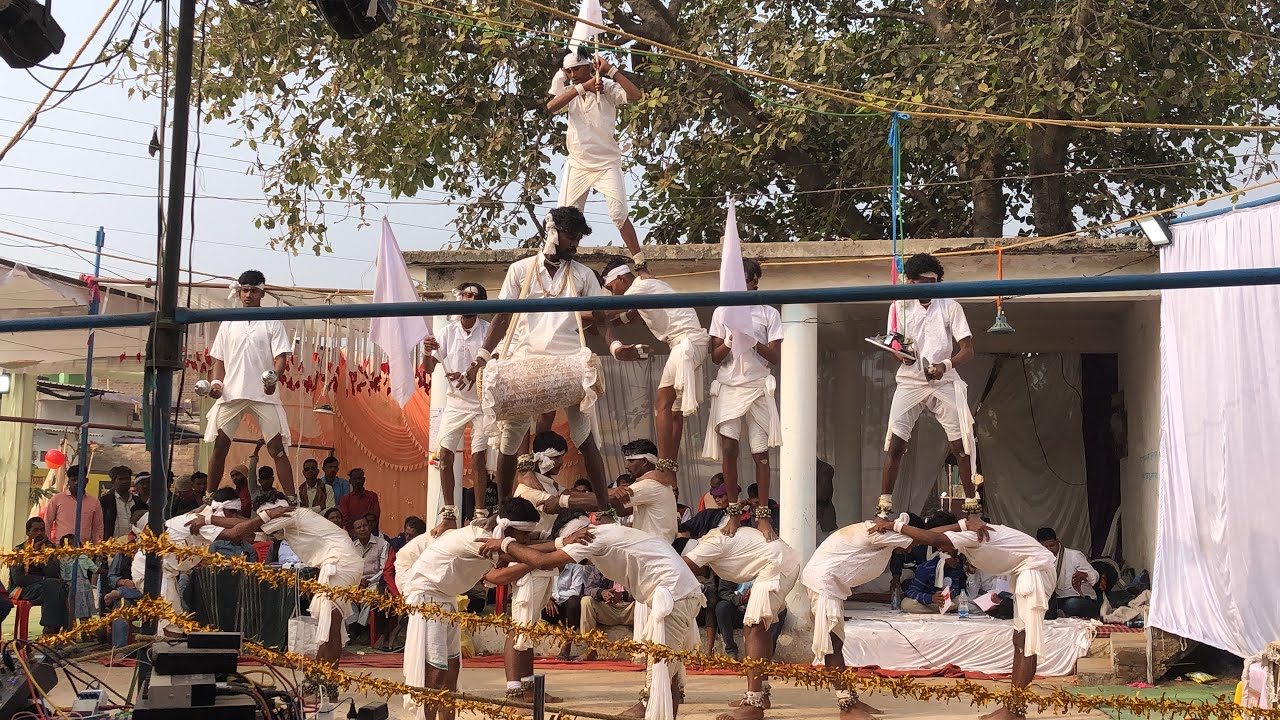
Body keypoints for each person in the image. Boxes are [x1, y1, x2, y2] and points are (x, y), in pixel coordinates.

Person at [464, 206, 645, 510]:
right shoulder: (521, 270)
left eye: (578, 238)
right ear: (552, 233)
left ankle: (604, 511)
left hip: (567, 363)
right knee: (509, 443)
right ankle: (505, 511)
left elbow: (600, 320)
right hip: (523, 363)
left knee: (586, 437)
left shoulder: (584, 275)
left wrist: (616, 349)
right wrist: (480, 358)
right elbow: (502, 317)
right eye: (571, 237)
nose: (575, 244)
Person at [481, 510, 704, 720]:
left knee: (661, 665)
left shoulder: (588, 538)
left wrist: (505, 544)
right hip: (681, 592)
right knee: (667, 666)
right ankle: (655, 709)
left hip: (672, 596)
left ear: (572, 536)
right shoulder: (603, 531)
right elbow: (548, 553)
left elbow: (543, 561)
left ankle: (646, 707)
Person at [873, 515, 1055, 720]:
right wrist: (959, 524)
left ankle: (1015, 710)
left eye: (942, 545)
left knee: (1025, 642)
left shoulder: (969, 535)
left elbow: (931, 538)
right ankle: (1013, 706)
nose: (941, 550)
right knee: (1019, 640)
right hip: (1028, 571)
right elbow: (932, 536)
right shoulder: (967, 531)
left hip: (1035, 572)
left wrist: (894, 526)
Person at [398, 498, 559, 720]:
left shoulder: (495, 537)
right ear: (509, 529)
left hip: (446, 598)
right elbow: (511, 568)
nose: (526, 539)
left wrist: (558, 545)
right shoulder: (480, 539)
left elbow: (521, 552)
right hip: (426, 597)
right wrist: (561, 546)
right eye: (524, 534)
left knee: (451, 669)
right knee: (436, 671)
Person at [196, 491, 364, 695]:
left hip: (339, 564)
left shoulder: (289, 513)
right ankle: (316, 680)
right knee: (327, 626)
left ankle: (329, 684)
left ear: (274, 508)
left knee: (331, 627)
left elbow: (248, 527)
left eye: (265, 513)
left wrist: (207, 519)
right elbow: (252, 524)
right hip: (339, 563)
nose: (264, 517)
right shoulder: (291, 517)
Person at [877, 253, 978, 519]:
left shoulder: (950, 305)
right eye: (924, 283)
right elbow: (893, 345)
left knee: (962, 445)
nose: (930, 288)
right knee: (895, 442)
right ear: (910, 282)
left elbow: (967, 350)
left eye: (934, 283)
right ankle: (884, 508)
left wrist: (945, 365)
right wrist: (900, 354)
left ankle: (972, 507)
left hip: (944, 380)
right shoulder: (898, 306)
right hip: (910, 380)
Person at [503, 431, 600, 702]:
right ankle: (514, 691)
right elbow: (552, 505)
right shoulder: (527, 487)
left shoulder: (549, 484)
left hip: (545, 559)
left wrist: (604, 498)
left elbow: (564, 497)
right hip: (527, 560)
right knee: (520, 626)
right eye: (556, 459)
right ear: (541, 457)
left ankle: (529, 688)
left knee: (530, 626)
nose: (559, 465)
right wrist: (602, 496)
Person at [801, 514, 923, 719]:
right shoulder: (882, 534)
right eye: (911, 542)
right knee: (833, 643)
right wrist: (963, 526)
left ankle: (850, 699)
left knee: (836, 641)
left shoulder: (880, 532)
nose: (911, 549)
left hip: (828, 584)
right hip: (824, 585)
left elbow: (925, 537)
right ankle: (846, 705)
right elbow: (928, 538)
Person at [682, 518, 799, 717]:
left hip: (777, 565)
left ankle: (754, 703)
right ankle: (761, 694)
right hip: (778, 563)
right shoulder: (717, 539)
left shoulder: (708, 544)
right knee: (759, 628)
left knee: (753, 627)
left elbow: (682, 567)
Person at [601, 258, 710, 467]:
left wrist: (576, 313)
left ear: (622, 278)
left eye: (611, 288)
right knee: (675, 412)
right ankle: (670, 465)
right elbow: (630, 316)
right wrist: (610, 323)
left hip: (685, 343)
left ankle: (663, 464)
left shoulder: (639, 287)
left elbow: (607, 310)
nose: (613, 294)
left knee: (662, 404)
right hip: (692, 344)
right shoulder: (650, 286)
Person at [704, 259, 783, 541]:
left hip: (758, 386)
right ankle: (734, 513)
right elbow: (715, 357)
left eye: (749, 280)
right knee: (729, 450)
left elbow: (775, 356)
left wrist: (751, 340)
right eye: (739, 280)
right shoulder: (722, 312)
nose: (745, 285)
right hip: (729, 387)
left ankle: (763, 517)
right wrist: (728, 340)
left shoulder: (769, 312)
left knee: (761, 454)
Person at [203, 269, 295, 498]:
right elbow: (219, 360)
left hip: (263, 394)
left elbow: (281, 358)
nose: (248, 295)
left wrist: (273, 378)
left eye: (253, 291)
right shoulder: (228, 322)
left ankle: (293, 499)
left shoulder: (272, 322)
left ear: (262, 293)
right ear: (239, 292)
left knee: (276, 449)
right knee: (220, 445)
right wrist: (216, 383)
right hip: (232, 392)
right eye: (245, 290)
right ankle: (208, 497)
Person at [547, 47, 645, 260]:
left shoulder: (607, 87)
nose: (572, 75)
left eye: (577, 70)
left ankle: (639, 261)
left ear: (589, 67)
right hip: (578, 163)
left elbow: (635, 95)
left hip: (606, 163)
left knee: (618, 214)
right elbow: (552, 106)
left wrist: (610, 70)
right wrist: (583, 87)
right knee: (563, 218)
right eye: (569, 72)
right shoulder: (571, 91)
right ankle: (557, 259)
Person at [424, 281, 493, 536]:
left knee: (478, 458)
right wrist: (426, 352)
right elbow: (430, 369)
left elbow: (495, 364)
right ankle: (450, 514)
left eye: (474, 296)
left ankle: (480, 514)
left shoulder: (488, 331)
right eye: (465, 295)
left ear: (482, 303)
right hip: (455, 402)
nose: (469, 299)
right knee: (444, 456)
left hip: (482, 402)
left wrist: (475, 372)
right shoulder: (447, 332)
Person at [131, 488, 245, 636]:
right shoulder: (203, 521)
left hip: (168, 572)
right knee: (170, 625)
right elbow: (235, 532)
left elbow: (239, 524)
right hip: (154, 570)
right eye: (232, 512)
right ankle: (161, 656)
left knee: (173, 621)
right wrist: (264, 519)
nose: (235, 516)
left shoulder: (205, 513)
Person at [609, 438, 678, 542]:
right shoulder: (656, 482)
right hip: (659, 548)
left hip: (653, 550)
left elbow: (611, 500)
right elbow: (621, 510)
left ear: (644, 462)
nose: (627, 466)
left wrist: (578, 499)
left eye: (631, 461)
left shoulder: (648, 484)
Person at [7, 517, 69, 634]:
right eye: (35, 530)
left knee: (59, 587)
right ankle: (55, 631)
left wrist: (45, 555)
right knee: (56, 587)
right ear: (27, 533)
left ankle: (51, 629)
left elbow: (53, 573)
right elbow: (19, 579)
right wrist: (32, 554)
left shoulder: (49, 548)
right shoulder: (18, 551)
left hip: (44, 588)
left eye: (42, 530)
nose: (39, 533)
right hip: (22, 590)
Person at [900, 512, 967, 614]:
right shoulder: (925, 560)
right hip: (927, 600)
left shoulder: (958, 562)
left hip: (947, 601)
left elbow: (960, 589)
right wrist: (931, 598)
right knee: (907, 604)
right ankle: (939, 610)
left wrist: (950, 593)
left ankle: (940, 609)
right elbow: (913, 591)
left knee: (962, 600)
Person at [1036, 527, 1100, 619]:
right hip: (1054, 600)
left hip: (1080, 599)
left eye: (1052, 545)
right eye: (1045, 547)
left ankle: (1060, 613)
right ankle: (1059, 613)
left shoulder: (1074, 555)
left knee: (1072, 604)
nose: (1049, 550)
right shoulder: (1037, 559)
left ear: (1058, 541)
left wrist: (1085, 575)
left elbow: (1095, 575)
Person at [545, 559, 602, 660]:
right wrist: (547, 599)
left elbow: (575, 591)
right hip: (554, 608)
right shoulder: (547, 570)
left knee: (574, 602)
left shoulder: (576, 568)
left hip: (569, 607)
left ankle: (567, 645)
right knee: (539, 603)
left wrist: (554, 597)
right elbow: (544, 590)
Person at [350, 515, 389, 642]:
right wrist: (358, 582)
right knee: (343, 595)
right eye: (358, 527)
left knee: (371, 596)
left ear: (370, 527)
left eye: (365, 526)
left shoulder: (382, 544)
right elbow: (349, 568)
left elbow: (383, 569)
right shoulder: (351, 547)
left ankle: (360, 628)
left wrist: (369, 582)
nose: (362, 529)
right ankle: (354, 625)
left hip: (374, 582)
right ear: (354, 531)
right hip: (356, 582)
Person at [578, 577, 635, 661]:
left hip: (630, 607)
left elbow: (645, 590)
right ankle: (591, 648)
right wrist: (601, 593)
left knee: (646, 604)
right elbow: (589, 588)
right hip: (608, 608)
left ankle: (645, 651)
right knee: (586, 601)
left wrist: (623, 595)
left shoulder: (635, 565)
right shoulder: (601, 565)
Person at [45, 465, 104, 543]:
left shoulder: (94, 502)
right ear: (69, 482)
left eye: (79, 480)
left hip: (85, 549)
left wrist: (97, 547)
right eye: (73, 480)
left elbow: (98, 528)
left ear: (86, 481)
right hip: (61, 549)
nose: (76, 483)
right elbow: (47, 523)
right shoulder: (57, 499)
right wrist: (48, 544)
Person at [339, 468, 380, 532]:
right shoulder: (345, 499)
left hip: (371, 533)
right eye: (355, 479)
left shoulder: (372, 496)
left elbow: (375, 516)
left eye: (359, 478)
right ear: (350, 481)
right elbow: (346, 519)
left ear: (364, 480)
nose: (357, 481)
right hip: (352, 534)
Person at [100, 465, 135, 539]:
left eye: (127, 478)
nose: (124, 482)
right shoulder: (105, 502)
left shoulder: (138, 502)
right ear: (113, 481)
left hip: (136, 546)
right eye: (120, 479)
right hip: (112, 546)